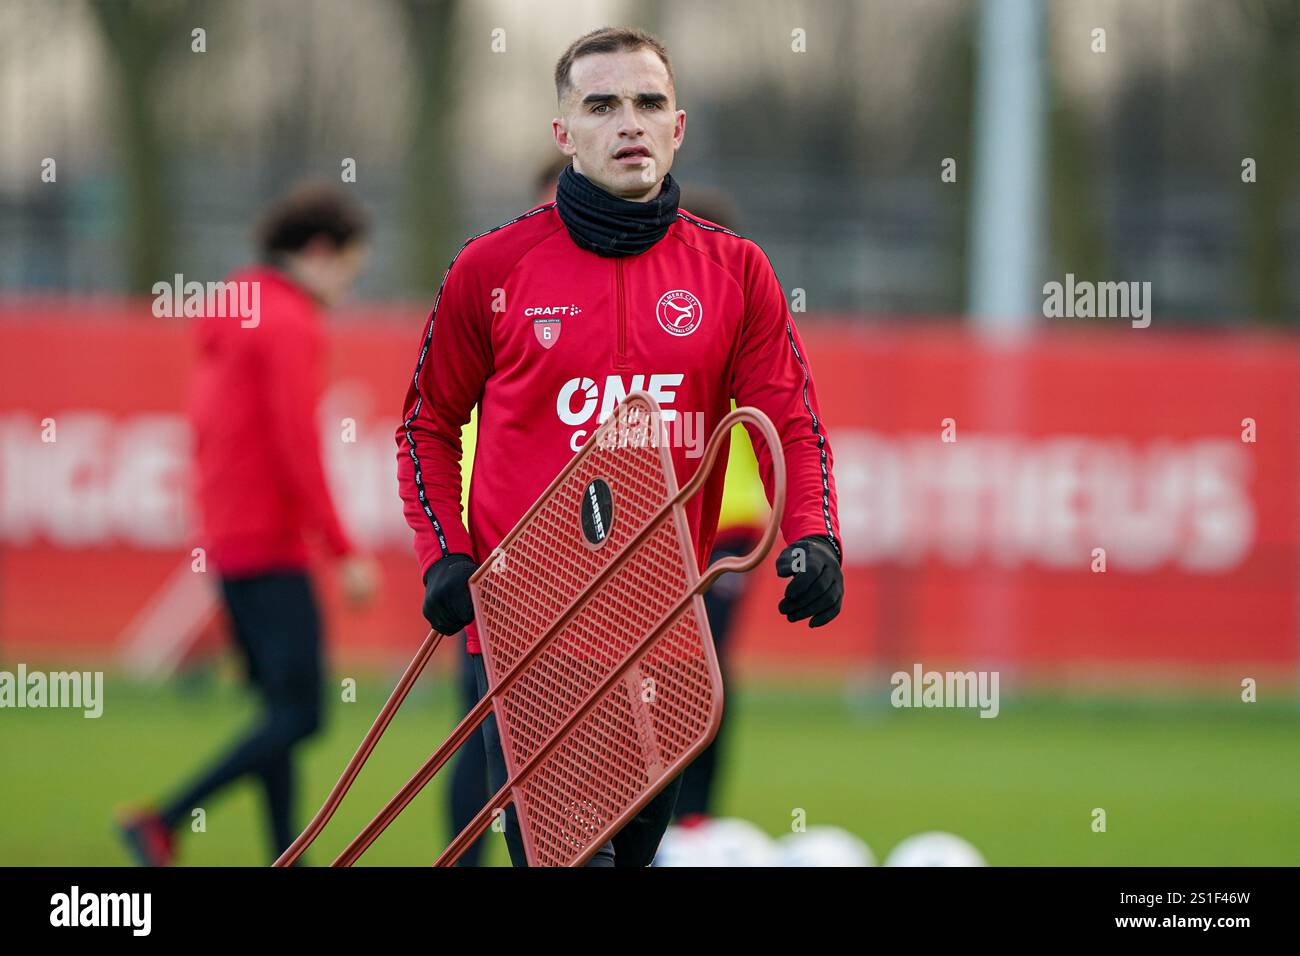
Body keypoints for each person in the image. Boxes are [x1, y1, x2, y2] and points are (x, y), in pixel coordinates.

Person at [397, 26, 843, 868]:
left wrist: (814, 535)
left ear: (679, 126)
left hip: (668, 639)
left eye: (647, 103)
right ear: (564, 133)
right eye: (602, 104)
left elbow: (794, 423)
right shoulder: (490, 270)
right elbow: (426, 424)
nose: (628, 121)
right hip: (534, 635)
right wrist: (444, 555)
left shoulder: (737, 272)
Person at [118, 181, 379, 865]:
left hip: (230, 543)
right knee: (303, 716)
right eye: (350, 268)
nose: (349, 286)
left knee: (279, 719)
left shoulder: (235, 310)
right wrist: (344, 549)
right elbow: (298, 443)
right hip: (271, 546)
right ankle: (163, 820)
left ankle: (284, 855)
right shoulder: (289, 322)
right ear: (319, 251)